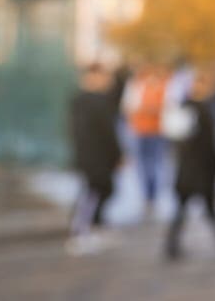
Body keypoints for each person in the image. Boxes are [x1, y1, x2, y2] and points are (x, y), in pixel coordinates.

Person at [164, 69, 215, 260]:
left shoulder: (194, 108)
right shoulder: (194, 109)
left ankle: (172, 243)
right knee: (199, 208)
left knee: (195, 208)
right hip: (196, 168)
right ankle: (172, 244)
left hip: (194, 168)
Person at [65, 63, 121, 255]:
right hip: (94, 157)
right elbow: (107, 132)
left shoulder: (83, 100)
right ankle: (79, 233)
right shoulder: (93, 101)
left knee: (101, 191)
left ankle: (96, 227)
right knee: (91, 194)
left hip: (94, 156)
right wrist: (117, 154)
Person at [121, 64, 168, 217]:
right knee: (144, 163)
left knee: (153, 163)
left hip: (155, 130)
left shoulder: (161, 87)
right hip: (140, 130)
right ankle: (147, 193)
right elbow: (128, 108)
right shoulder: (136, 86)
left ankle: (151, 193)